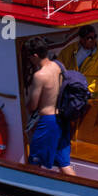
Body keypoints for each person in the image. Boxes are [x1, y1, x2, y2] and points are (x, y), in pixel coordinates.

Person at [25, 36, 73, 174]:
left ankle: (30, 192)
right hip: (61, 120)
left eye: (29, 57)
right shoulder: (58, 66)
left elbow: (33, 105)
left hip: (48, 122)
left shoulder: (40, 75)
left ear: (35, 55)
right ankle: (80, 192)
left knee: (34, 163)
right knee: (64, 164)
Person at [58, 25, 98, 111]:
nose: (93, 40)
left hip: (89, 98)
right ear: (81, 39)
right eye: (89, 38)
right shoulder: (69, 51)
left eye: (94, 37)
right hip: (69, 95)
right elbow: (58, 68)